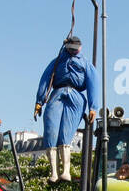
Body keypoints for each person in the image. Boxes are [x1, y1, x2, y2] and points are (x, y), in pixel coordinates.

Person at [34, 35, 100, 183]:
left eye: (75, 49)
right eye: (70, 49)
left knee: (66, 133)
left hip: (76, 96)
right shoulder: (57, 61)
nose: (73, 52)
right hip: (57, 93)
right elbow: (46, 79)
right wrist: (39, 101)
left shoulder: (85, 64)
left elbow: (93, 83)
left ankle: (65, 171)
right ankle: (53, 172)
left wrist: (93, 107)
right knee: (51, 130)